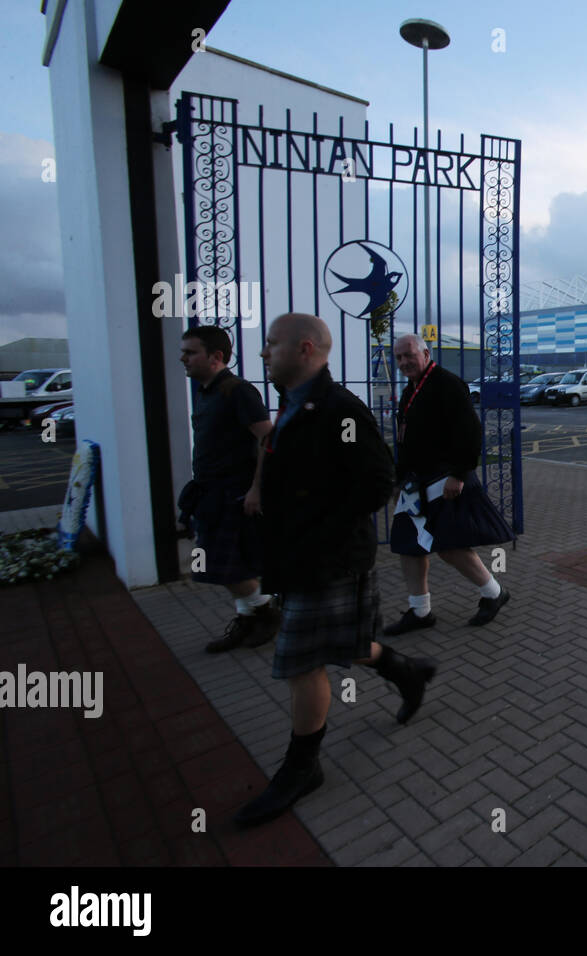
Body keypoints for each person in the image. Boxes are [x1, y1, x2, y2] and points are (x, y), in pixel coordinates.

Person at [233, 313, 435, 828]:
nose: (262, 353)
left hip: (325, 560)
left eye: (270, 344)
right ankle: (406, 671)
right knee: (335, 643)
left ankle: (302, 768)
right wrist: (262, 491)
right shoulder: (295, 402)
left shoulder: (340, 410)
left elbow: (375, 482)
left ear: (304, 349)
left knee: (301, 660)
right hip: (301, 556)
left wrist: (315, 530)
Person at [383, 333, 514, 636]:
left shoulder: (448, 384)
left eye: (408, 355)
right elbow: (406, 440)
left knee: (450, 548)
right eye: (398, 357)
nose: (403, 362)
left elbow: (470, 433)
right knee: (410, 546)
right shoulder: (411, 390)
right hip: (415, 483)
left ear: (425, 353)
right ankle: (420, 611)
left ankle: (494, 593)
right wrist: (398, 482)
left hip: (445, 480)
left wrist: (458, 474)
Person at [177, 325, 280, 653]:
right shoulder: (206, 391)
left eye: (191, 352)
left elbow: (268, 439)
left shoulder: (237, 391)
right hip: (209, 496)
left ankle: (265, 610)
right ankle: (248, 618)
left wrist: (256, 489)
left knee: (222, 565)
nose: (184, 359)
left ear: (216, 357)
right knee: (220, 566)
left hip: (233, 495)